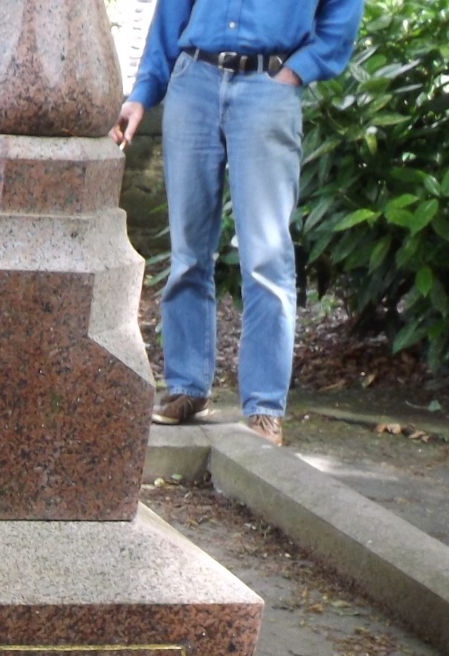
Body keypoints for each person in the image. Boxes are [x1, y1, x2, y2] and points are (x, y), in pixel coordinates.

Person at [112, 0, 366, 446]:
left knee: (267, 258)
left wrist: (299, 69)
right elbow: (171, 13)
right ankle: (187, 387)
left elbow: (344, 11)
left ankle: (265, 406)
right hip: (194, 84)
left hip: (268, 87)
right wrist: (142, 93)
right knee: (188, 254)